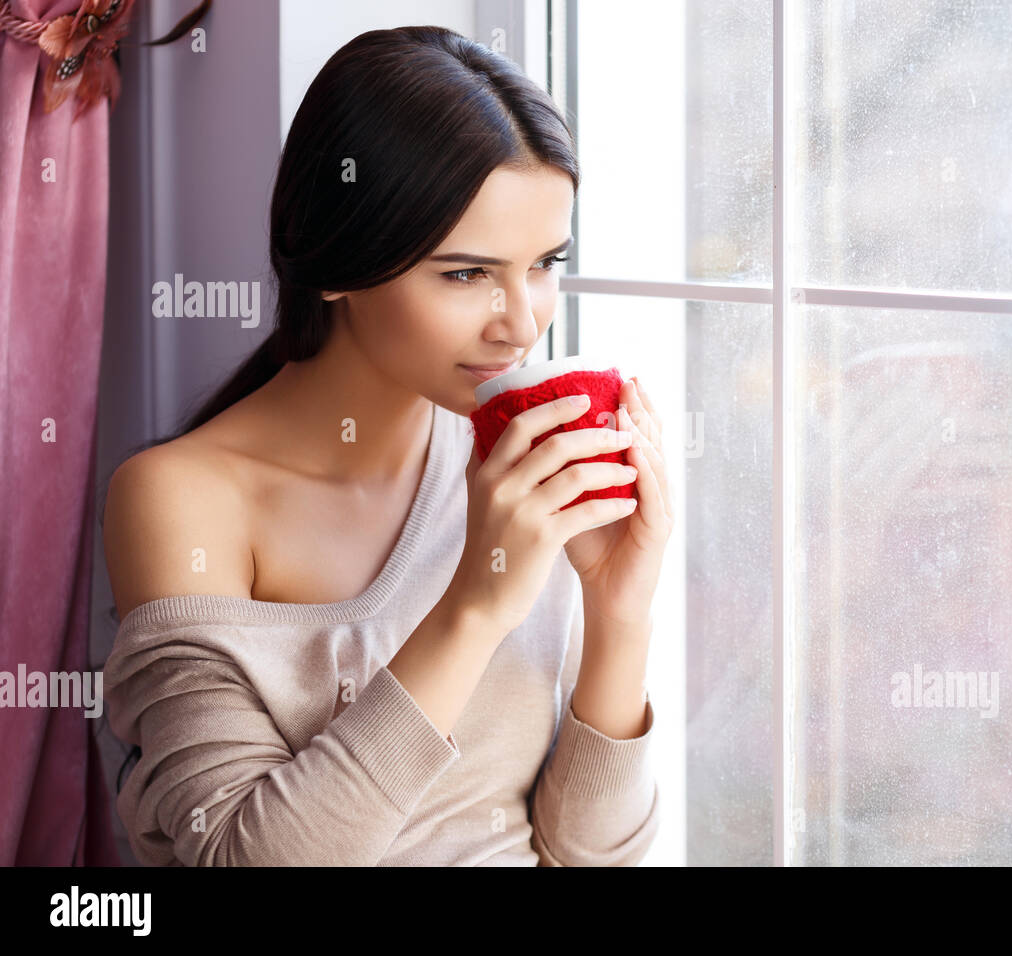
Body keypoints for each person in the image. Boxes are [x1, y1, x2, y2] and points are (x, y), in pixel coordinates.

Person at [100, 25, 673, 866]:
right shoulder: (181, 500)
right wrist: (474, 608)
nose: (522, 321)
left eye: (546, 262)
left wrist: (619, 612)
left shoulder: (518, 467)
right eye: (466, 273)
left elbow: (590, 854)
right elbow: (233, 857)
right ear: (337, 264)